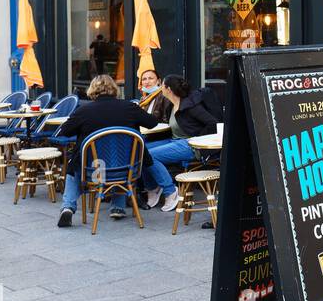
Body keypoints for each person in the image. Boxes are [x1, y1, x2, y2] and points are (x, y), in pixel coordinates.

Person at [56, 75, 161, 228]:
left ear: (92, 90)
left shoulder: (84, 110)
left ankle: (68, 207)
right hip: (127, 169)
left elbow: (64, 131)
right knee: (118, 158)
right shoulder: (129, 107)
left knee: (75, 166)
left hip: (94, 170)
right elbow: (152, 123)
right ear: (114, 89)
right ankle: (117, 207)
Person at [143, 75, 226, 211]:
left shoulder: (190, 106)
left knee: (150, 155)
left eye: (162, 86)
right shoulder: (171, 105)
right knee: (141, 149)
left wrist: (196, 139)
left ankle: (170, 191)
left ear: (168, 89)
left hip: (190, 145)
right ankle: (153, 188)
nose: (160, 89)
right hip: (176, 141)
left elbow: (213, 123)